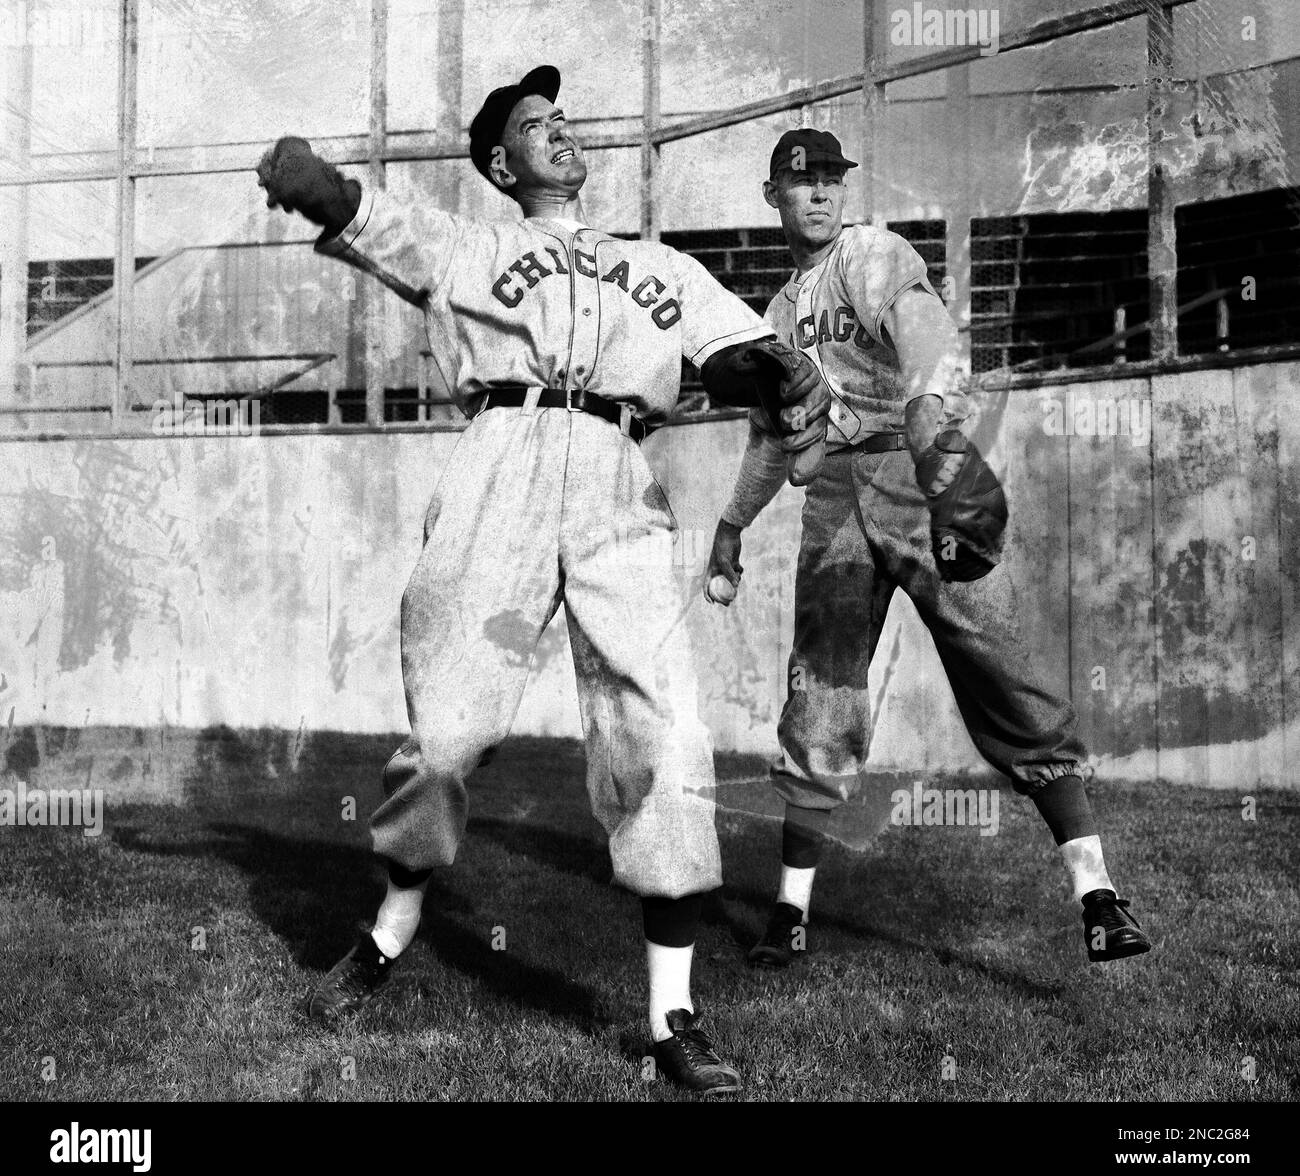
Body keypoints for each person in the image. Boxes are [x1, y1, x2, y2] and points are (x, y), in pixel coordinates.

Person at [255, 66, 817, 1095]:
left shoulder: (657, 263)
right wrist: (312, 181)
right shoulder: (471, 244)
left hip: (617, 470)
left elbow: (731, 354)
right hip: (501, 457)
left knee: (665, 731)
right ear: (500, 163)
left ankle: (670, 1016)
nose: (559, 132)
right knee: (445, 736)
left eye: (564, 119)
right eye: (534, 124)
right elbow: (363, 213)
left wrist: (774, 369)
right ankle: (388, 931)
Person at [705, 128, 1151, 969]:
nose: (820, 194)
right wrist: (731, 524)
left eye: (831, 179)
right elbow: (772, 443)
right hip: (833, 498)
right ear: (773, 197)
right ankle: (791, 912)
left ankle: (1099, 897)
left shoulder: (871, 252)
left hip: (917, 474)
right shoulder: (774, 316)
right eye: (801, 184)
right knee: (823, 697)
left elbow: (927, 341)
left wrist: (930, 425)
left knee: (1007, 675)